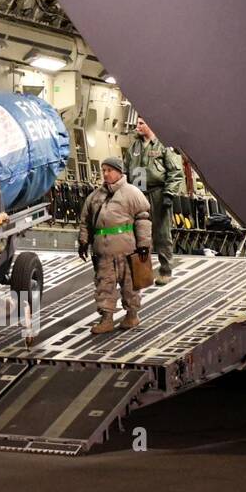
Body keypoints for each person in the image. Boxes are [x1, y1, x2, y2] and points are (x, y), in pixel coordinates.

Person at [77, 157, 152, 334]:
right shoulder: (95, 196)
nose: (105, 173)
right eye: (103, 170)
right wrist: (83, 242)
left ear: (119, 172)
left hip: (126, 250)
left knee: (130, 285)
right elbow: (85, 221)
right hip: (103, 251)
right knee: (104, 286)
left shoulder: (132, 193)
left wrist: (144, 245)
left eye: (109, 170)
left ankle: (132, 315)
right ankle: (107, 319)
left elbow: (143, 219)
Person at [124, 117, 185, 285]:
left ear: (151, 124)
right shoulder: (134, 148)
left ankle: (165, 271)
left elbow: (176, 172)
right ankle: (142, 274)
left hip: (158, 194)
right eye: (137, 123)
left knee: (162, 234)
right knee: (140, 235)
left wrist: (169, 194)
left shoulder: (163, 146)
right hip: (139, 193)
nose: (137, 126)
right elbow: (126, 170)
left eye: (141, 123)